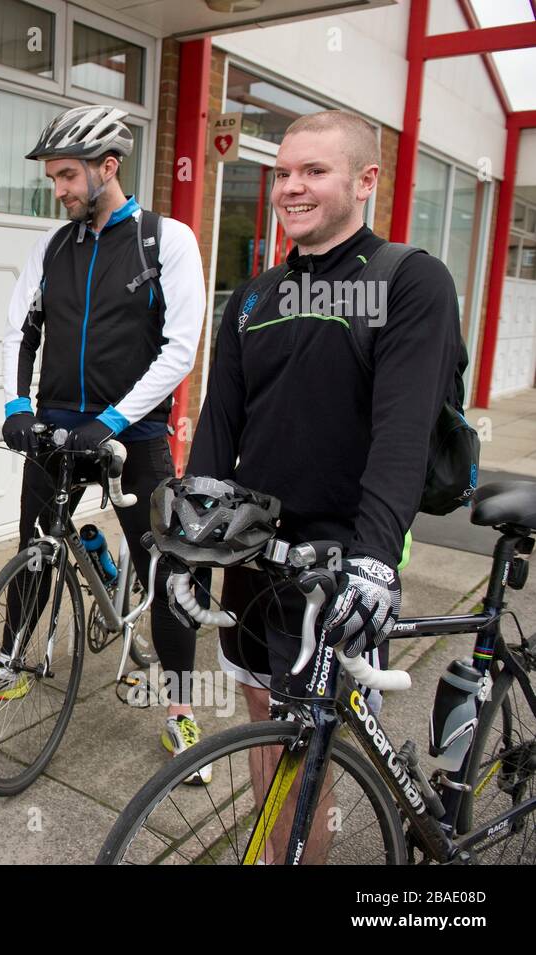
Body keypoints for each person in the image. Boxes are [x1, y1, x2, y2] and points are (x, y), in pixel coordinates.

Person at [187, 109, 464, 856]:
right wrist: (185, 541)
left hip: (341, 555)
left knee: (312, 737)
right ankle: (279, 853)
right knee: (260, 714)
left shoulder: (408, 280)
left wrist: (375, 556)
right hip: (256, 551)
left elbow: (402, 433)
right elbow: (219, 424)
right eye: (283, 172)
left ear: (365, 180)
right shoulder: (253, 297)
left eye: (314, 171)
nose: (291, 187)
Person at [0, 103, 212, 781]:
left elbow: (180, 352)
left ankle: (181, 710)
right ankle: (8, 666)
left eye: (65, 176)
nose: (58, 189)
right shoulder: (54, 246)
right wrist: (16, 404)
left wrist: (113, 421)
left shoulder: (164, 241)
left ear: (107, 167)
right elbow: (17, 327)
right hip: (56, 427)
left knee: (165, 571)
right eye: (54, 176)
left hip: (133, 434)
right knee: (33, 551)